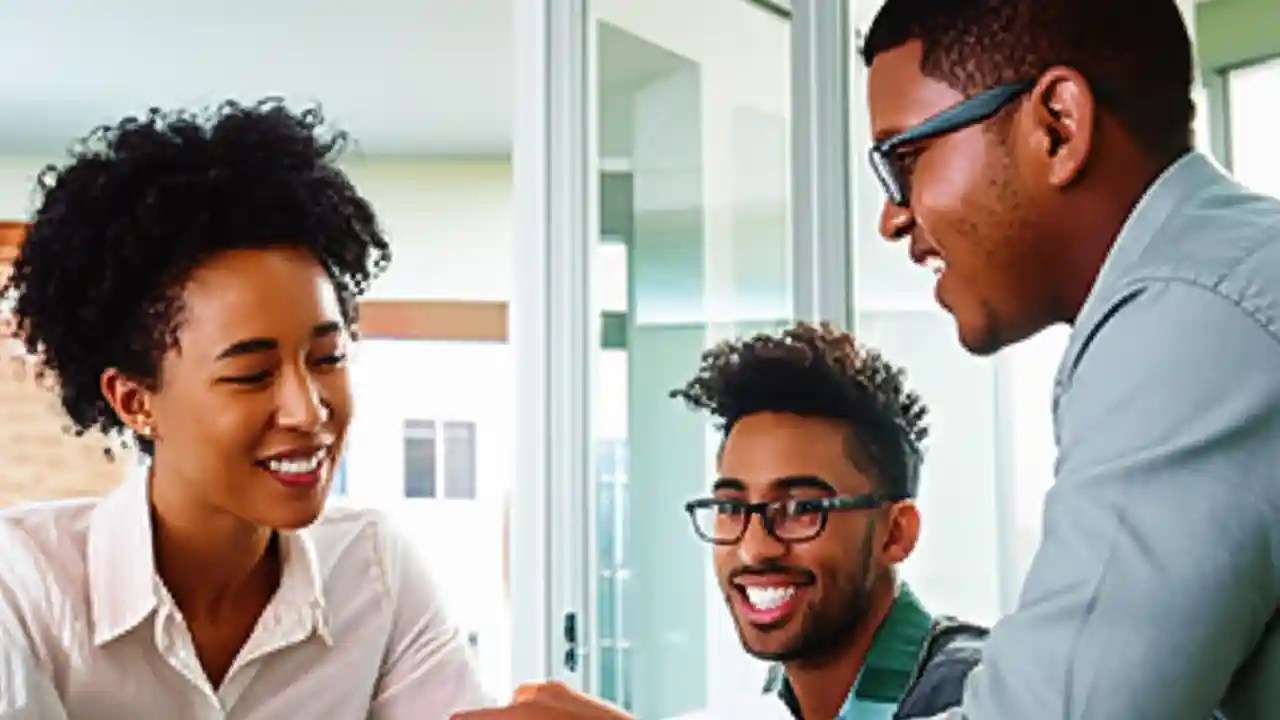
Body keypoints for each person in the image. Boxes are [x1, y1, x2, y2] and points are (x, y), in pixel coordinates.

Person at [860, 0, 1280, 717]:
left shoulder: (1191, 319)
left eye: (903, 161)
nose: (892, 218)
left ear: (1058, 125)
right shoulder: (1226, 272)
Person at [0, 101, 487, 718]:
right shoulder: (24, 585)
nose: (307, 411)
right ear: (135, 400)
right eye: (251, 375)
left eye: (327, 358)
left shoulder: (373, 572)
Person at [453, 323, 986, 719]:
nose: (755, 548)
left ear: (896, 533)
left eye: (801, 508)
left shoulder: (983, 687)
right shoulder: (778, 704)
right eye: (732, 507)